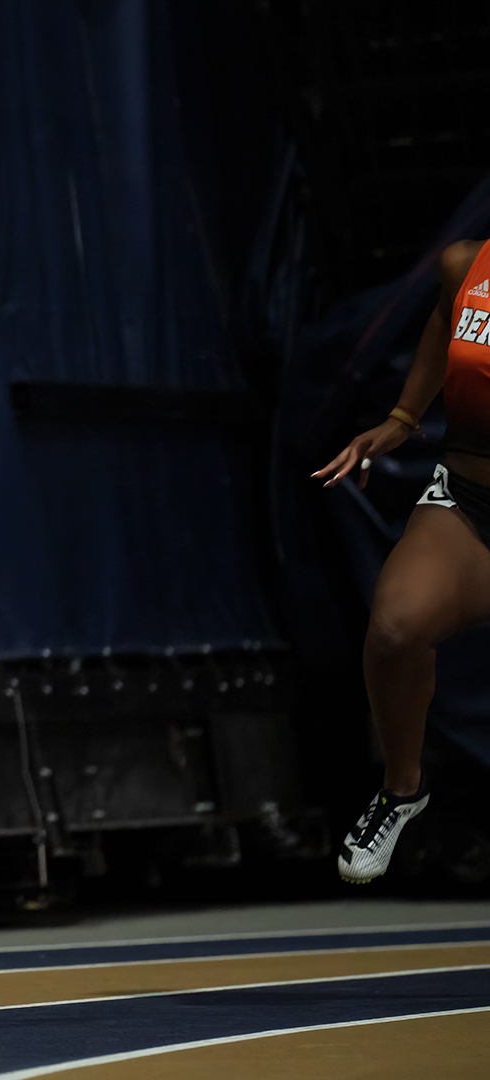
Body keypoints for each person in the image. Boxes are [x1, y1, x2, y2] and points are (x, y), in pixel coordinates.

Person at [315, 237, 490, 883]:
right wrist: (404, 414)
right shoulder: (464, 267)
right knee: (395, 630)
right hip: (471, 502)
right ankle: (402, 790)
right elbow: (446, 320)